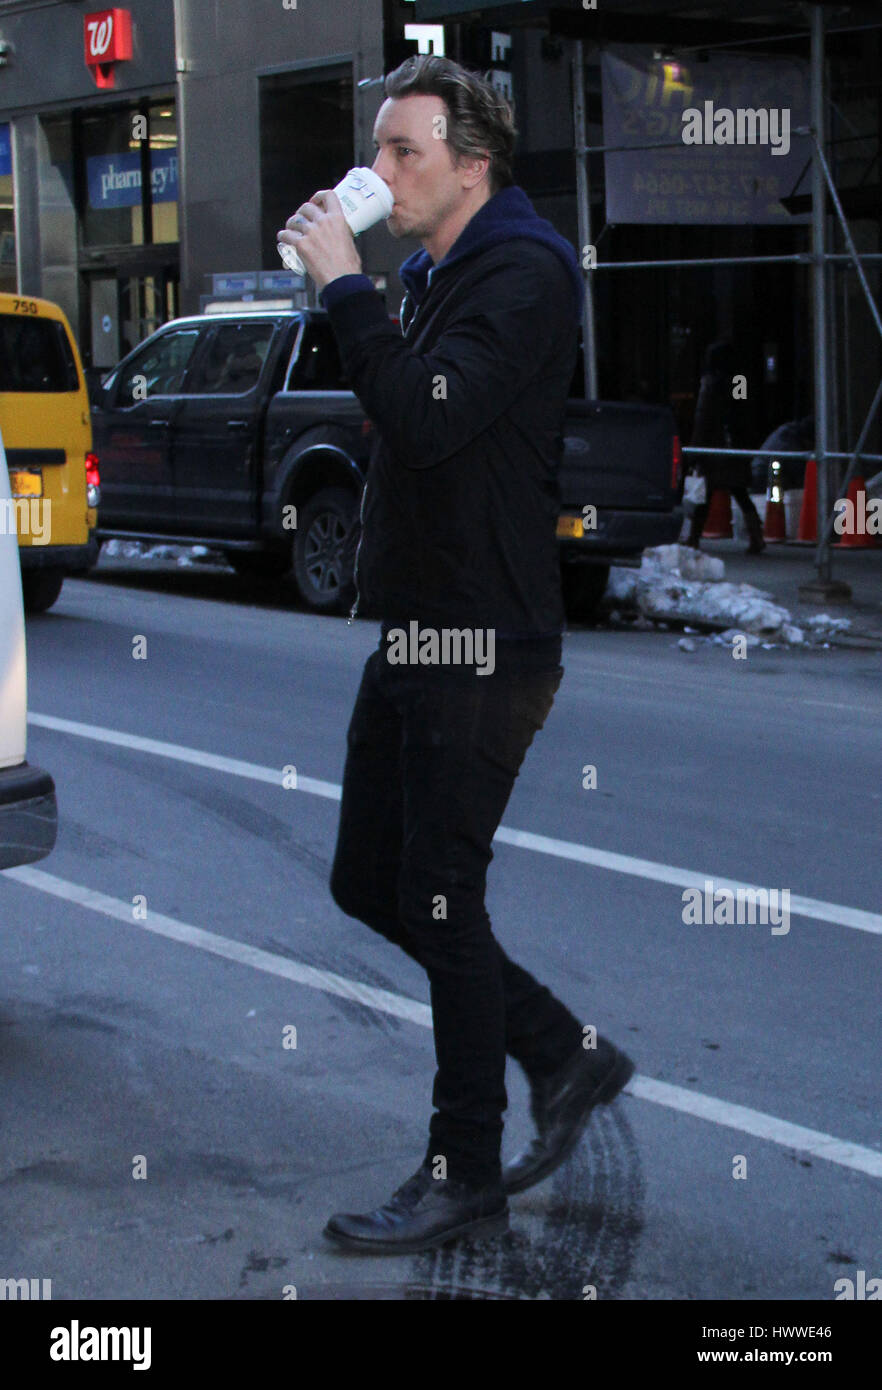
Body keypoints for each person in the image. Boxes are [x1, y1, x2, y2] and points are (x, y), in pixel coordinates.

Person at [279, 53, 634, 1256]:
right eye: (375, 149)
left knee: (439, 890)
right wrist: (339, 282)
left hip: (486, 640)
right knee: (366, 882)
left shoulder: (526, 273)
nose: (378, 170)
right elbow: (408, 417)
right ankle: (563, 1051)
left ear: (471, 165)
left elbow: (430, 414)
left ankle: (462, 1168)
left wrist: (346, 290)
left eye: (402, 151)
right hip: (423, 628)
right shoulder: (437, 269)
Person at [686, 340, 766, 554]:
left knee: (707, 493)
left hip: (714, 447)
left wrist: (694, 449)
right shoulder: (739, 380)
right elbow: (744, 411)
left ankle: (694, 538)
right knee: (740, 492)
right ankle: (756, 535)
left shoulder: (710, 383)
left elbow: (702, 418)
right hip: (735, 446)